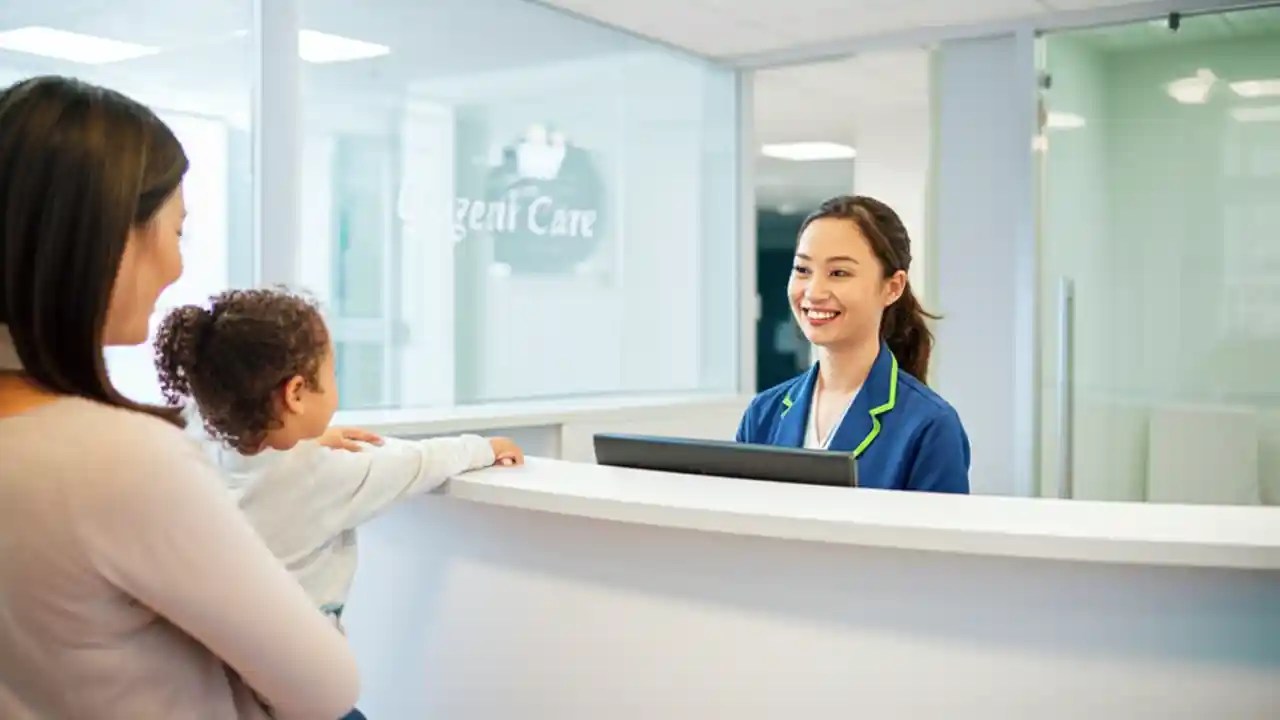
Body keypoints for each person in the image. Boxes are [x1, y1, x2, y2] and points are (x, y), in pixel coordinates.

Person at [0, 76, 360, 718]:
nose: (176, 266)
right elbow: (326, 688)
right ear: (109, 236)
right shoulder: (117, 460)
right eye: (176, 232)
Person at [153, 287, 525, 629]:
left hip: (225, 655)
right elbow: (417, 463)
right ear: (296, 393)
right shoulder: (320, 476)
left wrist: (309, 439)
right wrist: (485, 448)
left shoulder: (200, 443)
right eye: (332, 371)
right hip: (301, 660)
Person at [736, 195, 970, 493]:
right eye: (803, 270)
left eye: (839, 273)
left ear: (893, 287)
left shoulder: (930, 425)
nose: (814, 292)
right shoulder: (763, 413)